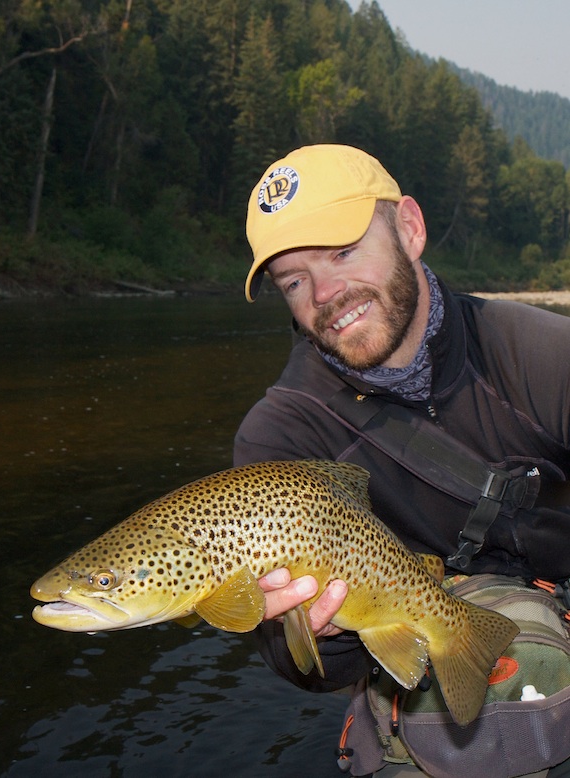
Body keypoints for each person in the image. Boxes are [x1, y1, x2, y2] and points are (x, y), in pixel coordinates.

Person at [233, 144, 570, 777]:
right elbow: (301, 665)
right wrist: (325, 636)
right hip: (414, 663)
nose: (326, 293)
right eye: (295, 281)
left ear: (410, 229)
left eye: (342, 251)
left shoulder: (540, 355)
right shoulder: (278, 441)